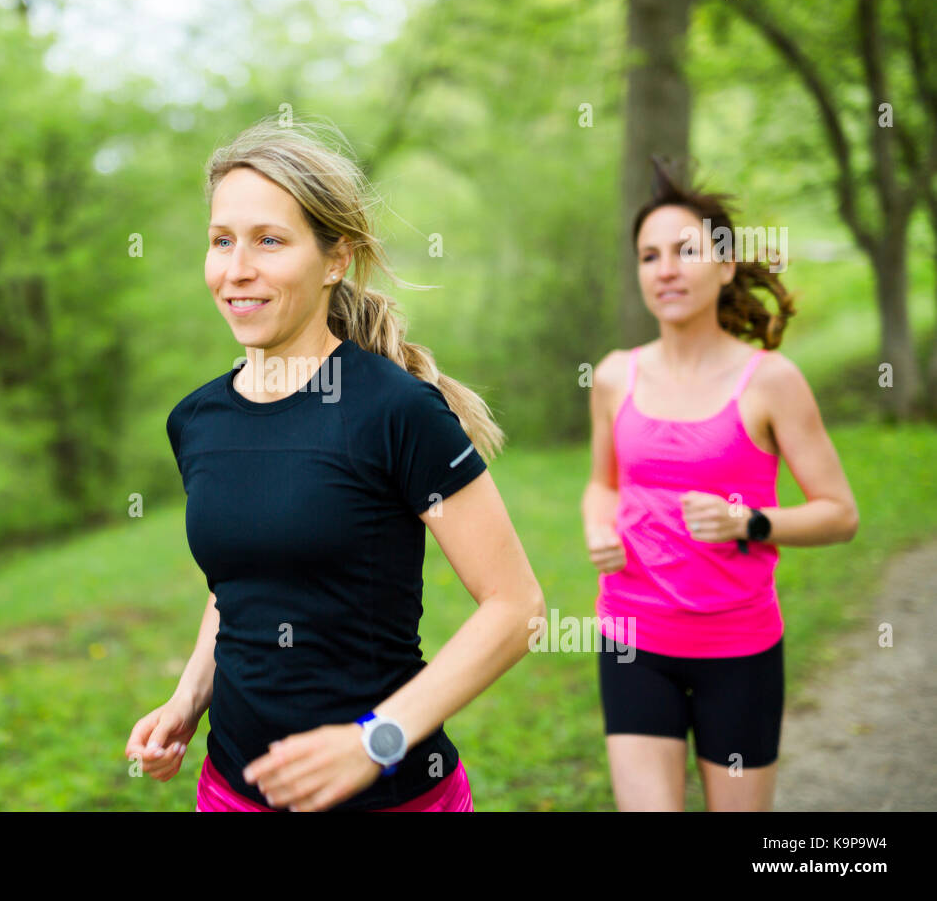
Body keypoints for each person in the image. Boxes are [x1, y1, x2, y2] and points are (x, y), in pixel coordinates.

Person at [124, 115, 545, 811]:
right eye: (222, 241)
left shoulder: (396, 412)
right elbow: (241, 579)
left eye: (270, 241)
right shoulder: (197, 421)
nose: (237, 269)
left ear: (335, 259)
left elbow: (517, 607)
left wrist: (375, 739)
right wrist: (188, 697)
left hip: (394, 796)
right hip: (232, 790)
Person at [583, 158, 859, 811]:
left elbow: (840, 514)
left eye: (685, 250)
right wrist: (599, 525)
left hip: (737, 647)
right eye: (650, 256)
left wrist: (750, 521)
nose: (667, 268)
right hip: (633, 638)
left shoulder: (771, 381)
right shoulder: (616, 376)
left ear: (726, 264)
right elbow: (602, 485)